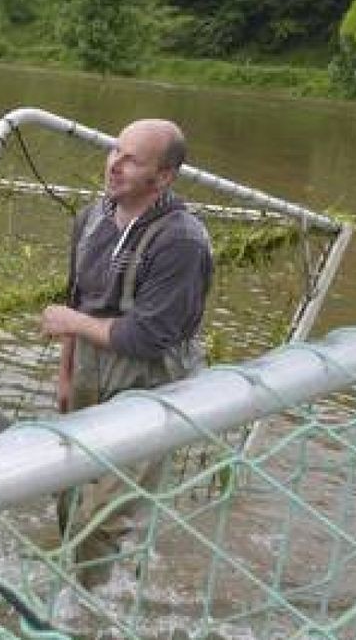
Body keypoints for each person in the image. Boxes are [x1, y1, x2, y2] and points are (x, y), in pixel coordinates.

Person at [40, 118, 213, 589]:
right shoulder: (91, 218)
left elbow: (148, 337)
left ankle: (85, 608)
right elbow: (76, 299)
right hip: (91, 367)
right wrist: (67, 376)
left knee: (103, 517)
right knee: (67, 492)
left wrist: (71, 324)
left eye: (132, 159)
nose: (115, 165)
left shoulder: (182, 241)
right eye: (115, 151)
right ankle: (83, 581)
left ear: (164, 177)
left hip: (153, 379)